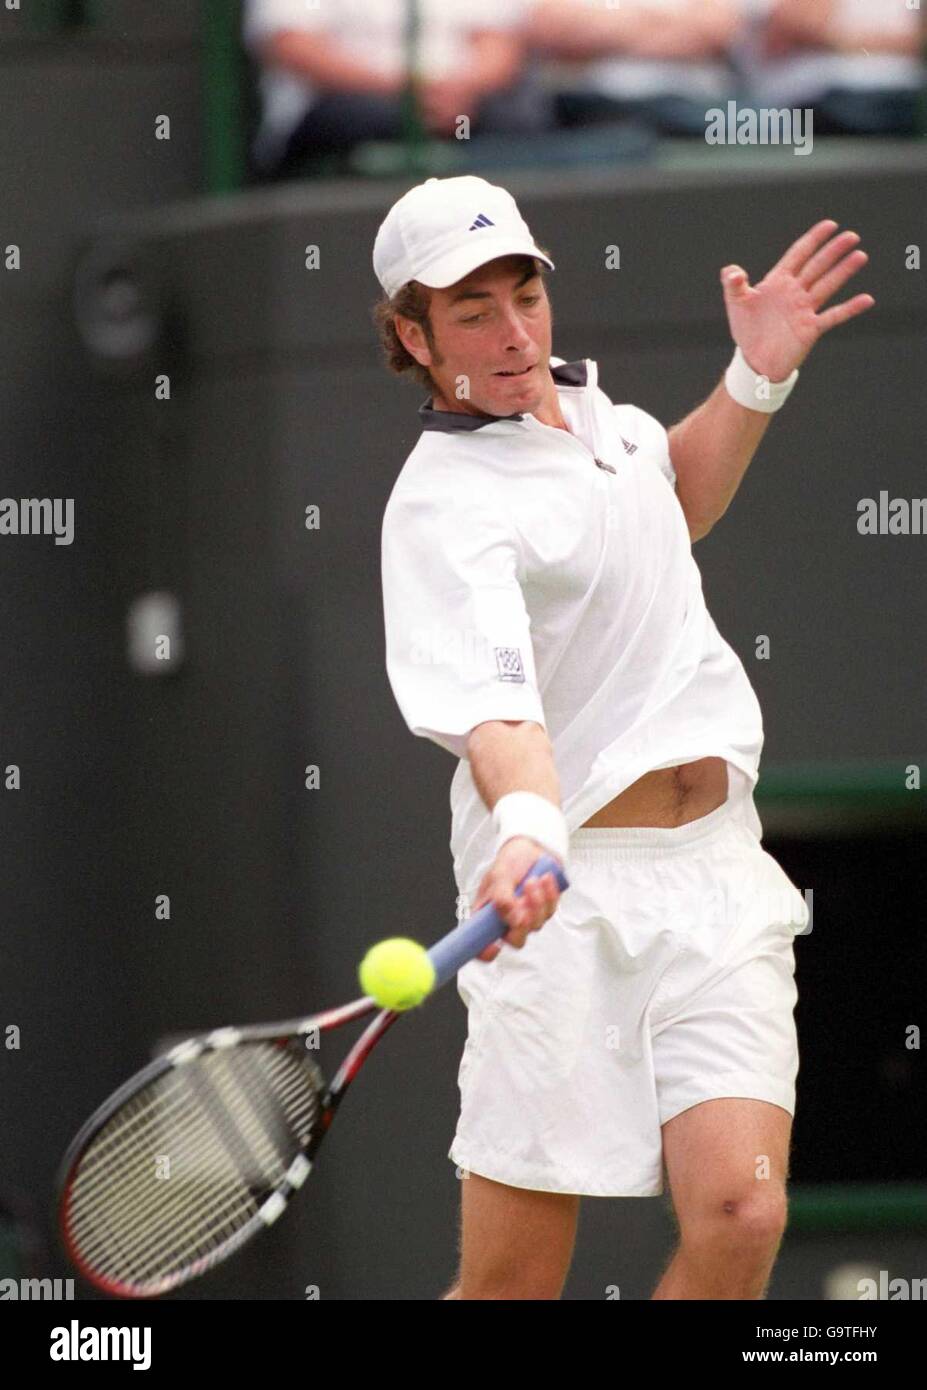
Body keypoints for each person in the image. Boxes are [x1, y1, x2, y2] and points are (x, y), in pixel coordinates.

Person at [374, 174, 872, 1299]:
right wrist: (530, 826)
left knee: (743, 1213)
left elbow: (673, 504)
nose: (513, 334)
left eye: (525, 296)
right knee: (513, 1285)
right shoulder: (442, 505)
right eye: (471, 312)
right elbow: (500, 710)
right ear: (412, 334)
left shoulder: (599, 417)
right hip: (561, 901)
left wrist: (757, 376)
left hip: (715, 879)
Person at [242, 0, 553, 179]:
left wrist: (459, 90)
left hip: (461, 107)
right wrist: (407, 92)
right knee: (368, 117)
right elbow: (292, 45)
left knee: (521, 116)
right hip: (345, 112)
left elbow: (500, 41)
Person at [526, 0, 740, 135]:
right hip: (590, 112)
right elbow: (555, 27)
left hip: (695, 111)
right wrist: (664, 24)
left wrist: (608, 34)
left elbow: (716, 29)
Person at [737, 0, 924, 136]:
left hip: (900, 99)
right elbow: (795, 28)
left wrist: (837, 40)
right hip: (814, 104)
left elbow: (916, 42)